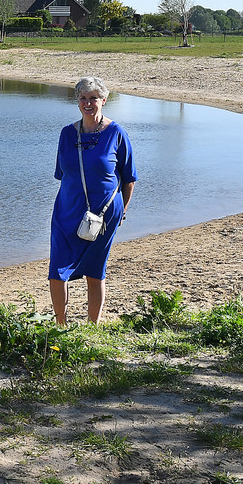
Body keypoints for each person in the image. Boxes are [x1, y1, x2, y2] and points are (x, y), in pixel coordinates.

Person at [48, 76, 136, 325]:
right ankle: (60, 325)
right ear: (77, 102)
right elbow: (61, 174)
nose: (88, 103)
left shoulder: (116, 133)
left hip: (104, 214)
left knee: (95, 271)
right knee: (57, 269)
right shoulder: (67, 134)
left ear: (104, 101)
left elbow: (129, 178)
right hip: (66, 211)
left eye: (93, 98)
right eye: (83, 98)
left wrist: (123, 211)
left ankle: (92, 324)